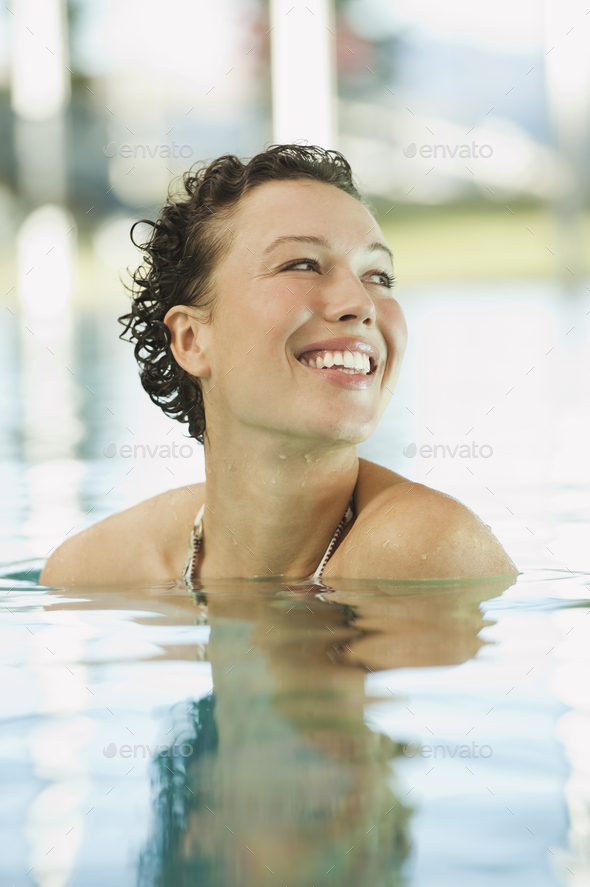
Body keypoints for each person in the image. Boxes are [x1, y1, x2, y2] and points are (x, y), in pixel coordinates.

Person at [39, 144, 518, 588]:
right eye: (302, 265)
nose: (361, 302)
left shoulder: (424, 549)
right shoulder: (94, 574)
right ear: (191, 340)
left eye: (377, 275)